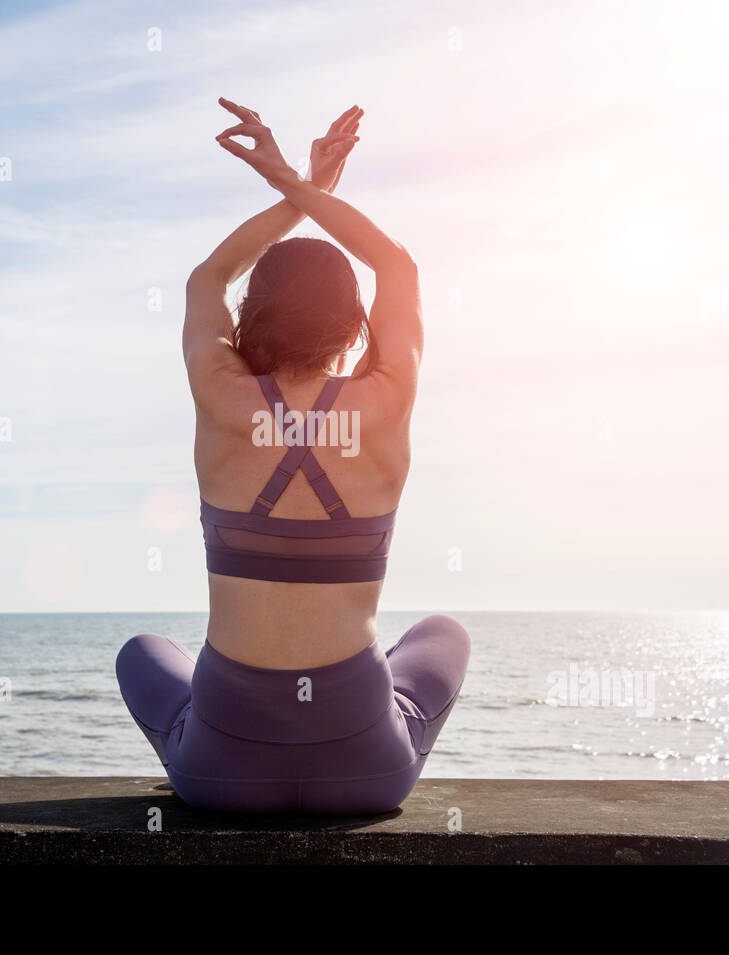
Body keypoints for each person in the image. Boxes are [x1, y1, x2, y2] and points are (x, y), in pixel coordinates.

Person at [115, 98, 469, 814]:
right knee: (442, 635)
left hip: (221, 776)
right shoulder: (386, 400)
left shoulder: (221, 397)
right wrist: (305, 186)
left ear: (252, 315)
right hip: (366, 773)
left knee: (143, 651)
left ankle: (202, 733)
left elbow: (206, 280)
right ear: (352, 324)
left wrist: (292, 193)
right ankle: (373, 723)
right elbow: (396, 266)